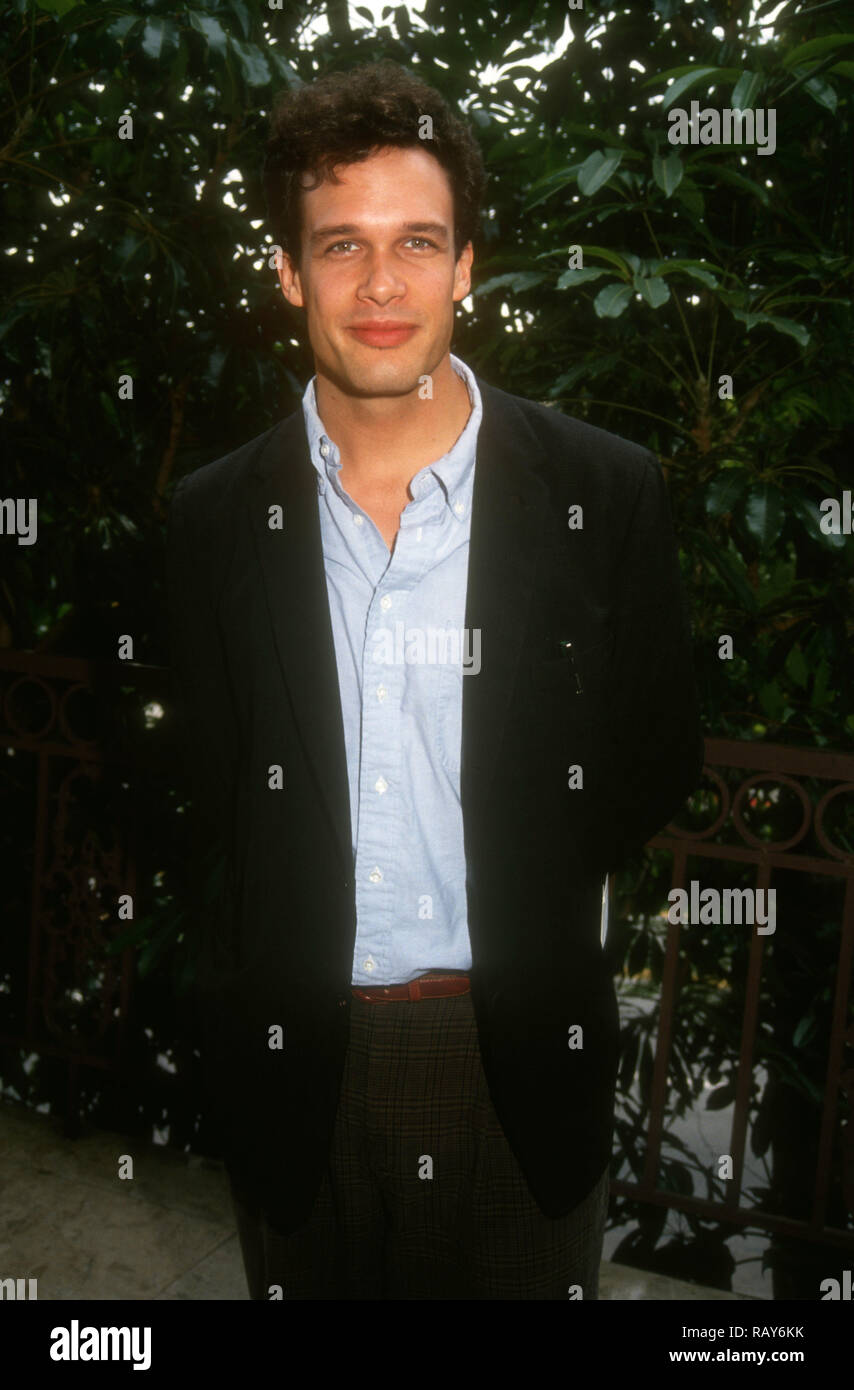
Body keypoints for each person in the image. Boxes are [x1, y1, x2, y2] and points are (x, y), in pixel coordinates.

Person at [166, 60, 704, 1301]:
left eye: (417, 241)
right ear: (290, 275)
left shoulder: (604, 491)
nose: (381, 286)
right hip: (300, 1052)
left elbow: (651, 755)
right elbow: (195, 772)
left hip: (516, 1052)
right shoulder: (209, 518)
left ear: (465, 265)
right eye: (340, 247)